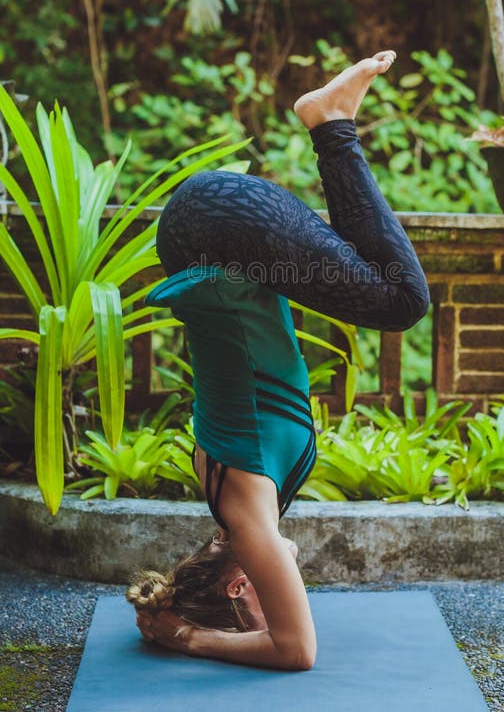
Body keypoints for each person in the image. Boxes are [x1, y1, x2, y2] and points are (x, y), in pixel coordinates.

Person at [127, 50, 430, 670]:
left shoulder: (245, 511)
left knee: (401, 300)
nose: (289, 596)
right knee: (373, 277)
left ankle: (330, 122)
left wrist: (184, 636)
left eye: (261, 602)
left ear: (241, 588)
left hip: (217, 231)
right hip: (210, 235)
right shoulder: (234, 492)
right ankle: (332, 121)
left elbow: (295, 652)